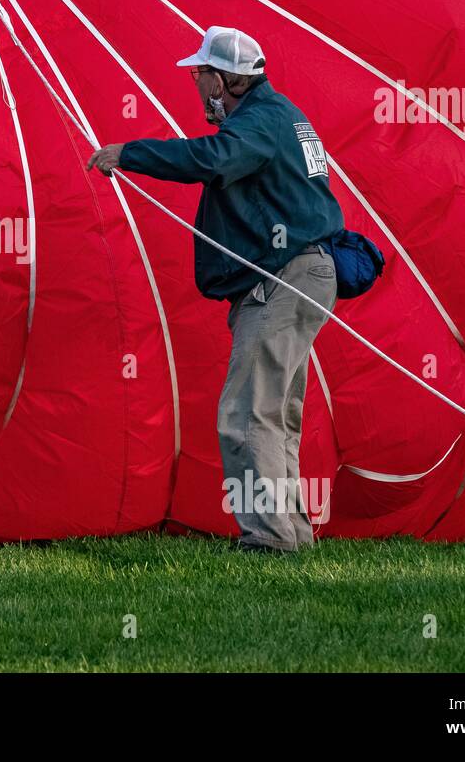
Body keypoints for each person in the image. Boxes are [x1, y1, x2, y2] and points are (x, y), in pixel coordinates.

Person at [87, 27, 343, 553]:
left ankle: (269, 539)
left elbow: (211, 159)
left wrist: (129, 154)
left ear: (225, 80)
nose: (196, 83)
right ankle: (290, 534)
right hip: (303, 272)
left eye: (200, 74)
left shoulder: (259, 122)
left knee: (246, 411)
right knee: (275, 411)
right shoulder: (282, 114)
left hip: (284, 278)